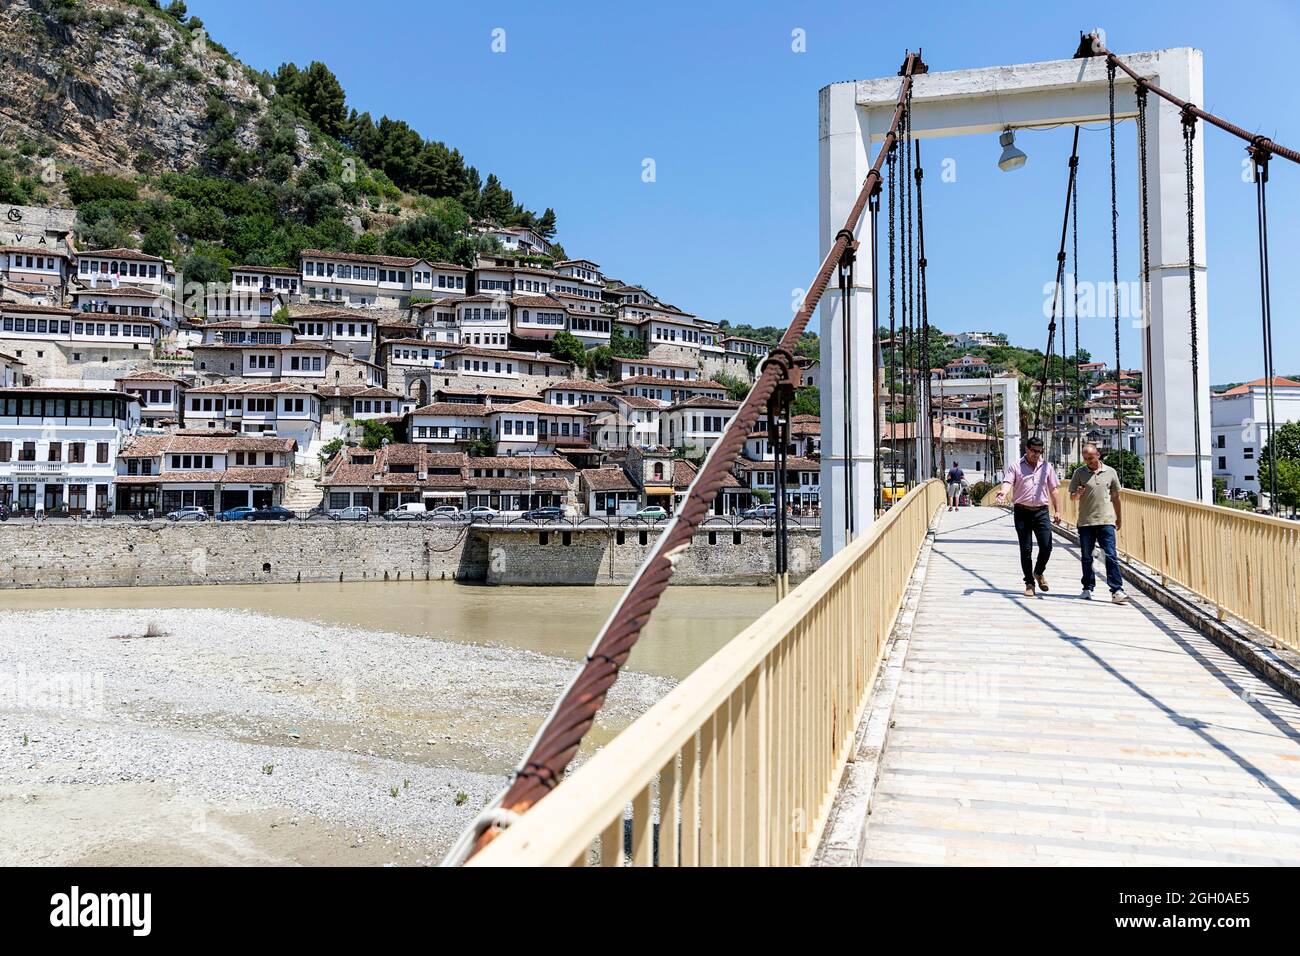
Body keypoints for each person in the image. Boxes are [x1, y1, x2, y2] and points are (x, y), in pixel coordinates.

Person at [994, 436, 1061, 597]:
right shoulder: (1016, 466)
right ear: (1027, 449)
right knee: (1026, 549)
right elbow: (1008, 482)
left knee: (1047, 546)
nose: (1036, 455)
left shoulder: (1047, 467)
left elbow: (1054, 490)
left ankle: (1038, 572)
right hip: (1022, 511)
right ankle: (1029, 583)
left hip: (1041, 511)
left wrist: (1058, 510)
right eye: (1034, 451)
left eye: (1039, 452)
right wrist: (1003, 492)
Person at [1069, 442, 1129, 604]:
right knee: (1087, 557)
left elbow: (1116, 497)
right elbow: (1072, 497)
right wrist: (1078, 493)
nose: (1089, 461)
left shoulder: (1110, 472)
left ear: (1098, 455)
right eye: (1086, 458)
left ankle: (1116, 590)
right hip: (1086, 522)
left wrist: (1119, 517)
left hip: (1106, 520)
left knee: (1110, 555)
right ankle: (1087, 588)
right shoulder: (1079, 473)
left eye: (1091, 458)